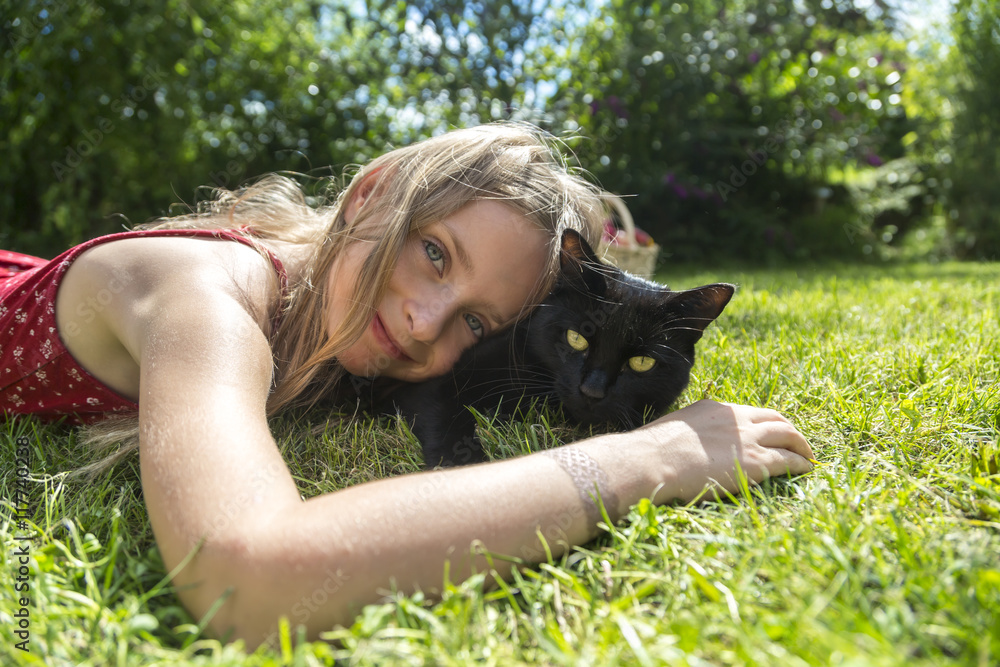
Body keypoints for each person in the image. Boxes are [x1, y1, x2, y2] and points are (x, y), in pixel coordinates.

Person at [0, 122, 813, 646]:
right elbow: (246, 580)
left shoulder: (341, 324)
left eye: (474, 322)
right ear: (372, 193)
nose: (426, 323)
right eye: (435, 253)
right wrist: (647, 460)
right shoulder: (206, 301)